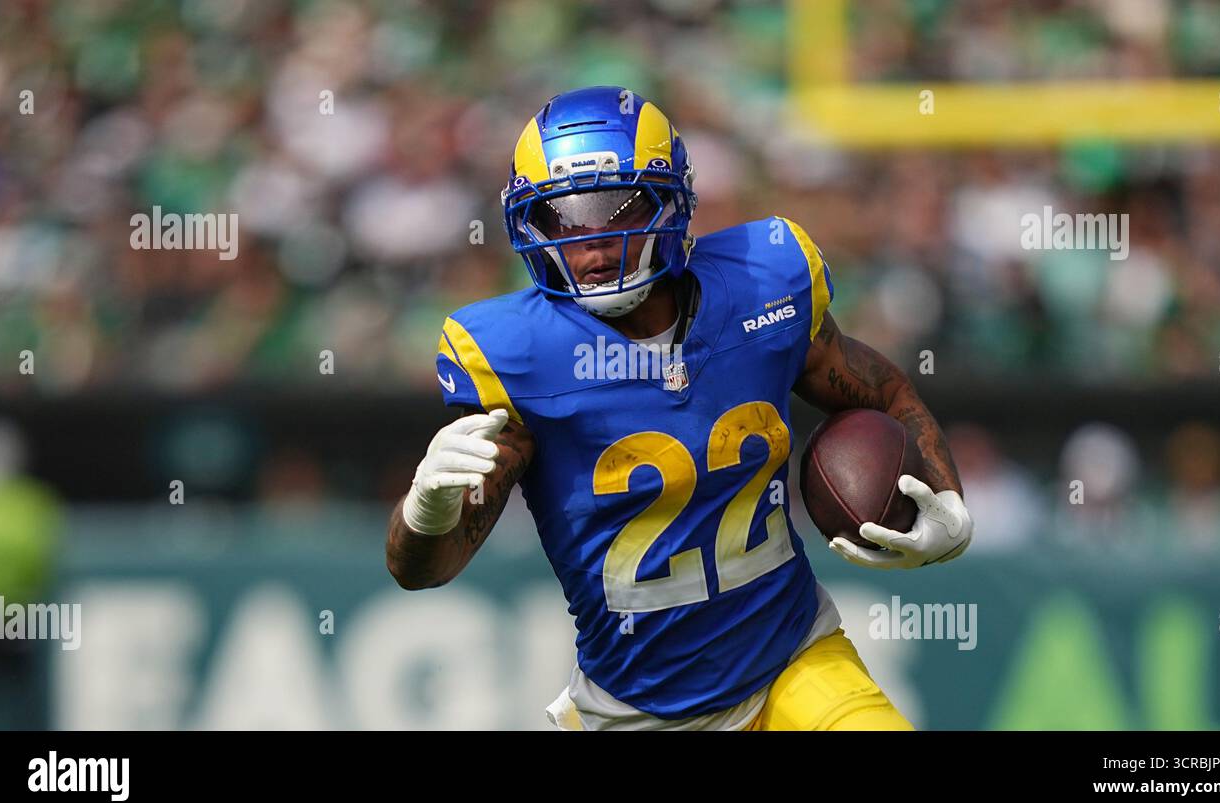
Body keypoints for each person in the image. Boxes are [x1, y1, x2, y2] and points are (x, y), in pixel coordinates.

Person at [385, 87, 973, 730]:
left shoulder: (761, 287)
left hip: (795, 658)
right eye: (562, 218)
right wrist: (427, 509)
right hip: (640, 714)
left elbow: (886, 392)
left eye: (615, 210)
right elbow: (424, 571)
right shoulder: (519, 356)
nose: (590, 245)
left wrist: (947, 499)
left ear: (672, 202)